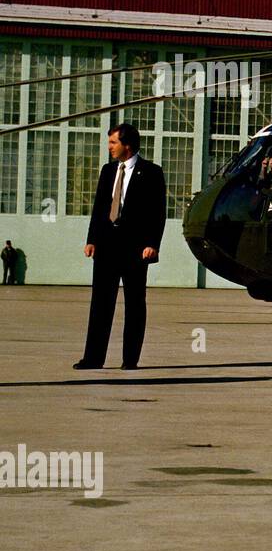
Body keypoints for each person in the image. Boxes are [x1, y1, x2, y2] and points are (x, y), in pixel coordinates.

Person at [74, 123, 166, 371]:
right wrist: (92, 239)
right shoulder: (107, 171)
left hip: (135, 249)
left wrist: (152, 244)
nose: (109, 147)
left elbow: (158, 213)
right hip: (106, 247)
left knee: (135, 304)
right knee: (101, 303)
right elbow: (99, 208)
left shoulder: (152, 173)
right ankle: (93, 358)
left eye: (113, 143)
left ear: (127, 145)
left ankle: (130, 359)